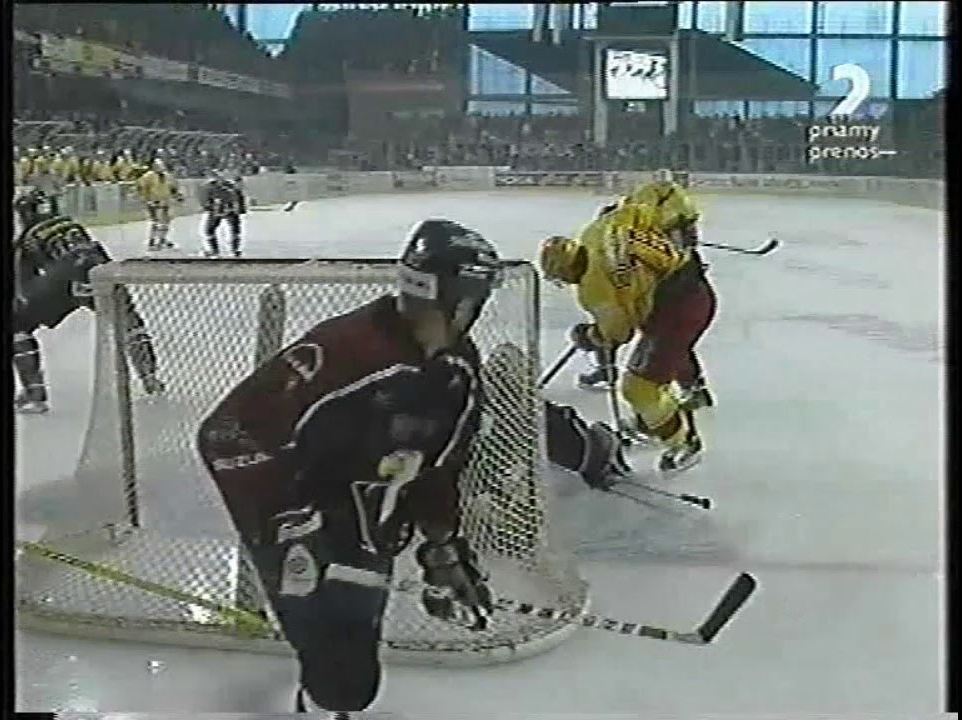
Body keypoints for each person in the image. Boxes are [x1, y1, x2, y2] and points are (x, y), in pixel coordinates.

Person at [196, 219, 632, 717]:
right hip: (299, 524)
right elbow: (227, 433)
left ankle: (326, 699)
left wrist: (442, 548)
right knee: (338, 672)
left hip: (371, 528)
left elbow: (438, 469)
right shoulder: (343, 351)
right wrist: (286, 524)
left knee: (354, 670)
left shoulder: (458, 373)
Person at [539, 201, 716, 473]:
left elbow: (619, 332)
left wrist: (589, 335)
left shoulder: (594, 289)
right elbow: (653, 198)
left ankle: (685, 442)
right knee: (655, 368)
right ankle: (654, 421)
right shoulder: (596, 230)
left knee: (639, 387)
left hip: (677, 311)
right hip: (688, 290)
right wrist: (684, 224)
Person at [12, 189, 164, 414]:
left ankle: (35, 395)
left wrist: (25, 310)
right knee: (129, 321)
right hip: (97, 267)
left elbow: (22, 283)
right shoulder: (72, 224)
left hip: (62, 279)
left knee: (18, 326)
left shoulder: (26, 238)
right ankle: (149, 377)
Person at [574, 177, 716, 412]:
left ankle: (660, 413)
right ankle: (693, 388)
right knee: (671, 346)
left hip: (669, 304)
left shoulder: (637, 248)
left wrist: (595, 337)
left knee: (658, 351)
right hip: (674, 300)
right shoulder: (653, 233)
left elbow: (620, 323)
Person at [137, 158, 183, 252]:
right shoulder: (148, 176)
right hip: (154, 202)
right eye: (158, 165)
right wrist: (147, 200)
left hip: (165, 201)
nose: (160, 167)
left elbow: (173, 188)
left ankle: (162, 240)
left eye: (161, 165)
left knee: (166, 223)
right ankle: (152, 242)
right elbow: (142, 189)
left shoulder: (167, 176)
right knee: (156, 223)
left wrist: (178, 196)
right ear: (153, 166)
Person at [198, 169, 246, 257]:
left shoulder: (215, 185)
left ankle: (223, 251)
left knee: (212, 230)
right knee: (212, 230)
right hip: (223, 209)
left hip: (222, 209)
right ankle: (226, 251)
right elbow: (239, 196)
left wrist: (207, 206)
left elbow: (239, 196)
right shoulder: (213, 185)